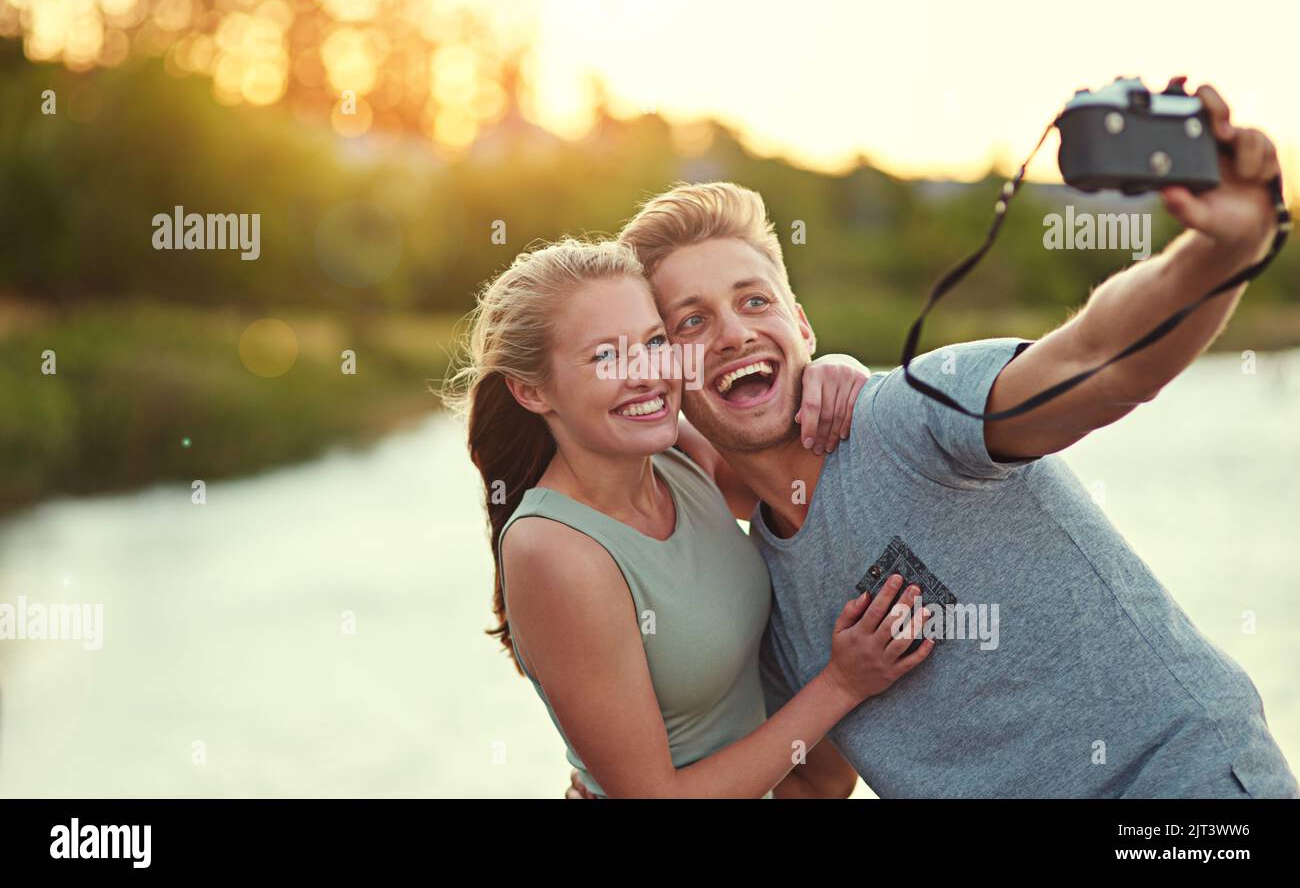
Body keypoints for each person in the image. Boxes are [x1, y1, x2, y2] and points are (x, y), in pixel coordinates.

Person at [592, 85, 1299, 798]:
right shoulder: (761, 594)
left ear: (802, 326)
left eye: (754, 301)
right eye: (691, 322)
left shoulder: (912, 415)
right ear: (667, 372)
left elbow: (1096, 363)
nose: (736, 333)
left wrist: (1220, 251)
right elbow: (812, 783)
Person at [447, 236, 934, 798]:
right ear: (532, 390)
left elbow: (813, 495)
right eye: (606, 356)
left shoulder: (676, 452)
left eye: (655, 342)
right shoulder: (554, 550)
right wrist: (843, 685)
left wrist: (836, 372)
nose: (647, 374)